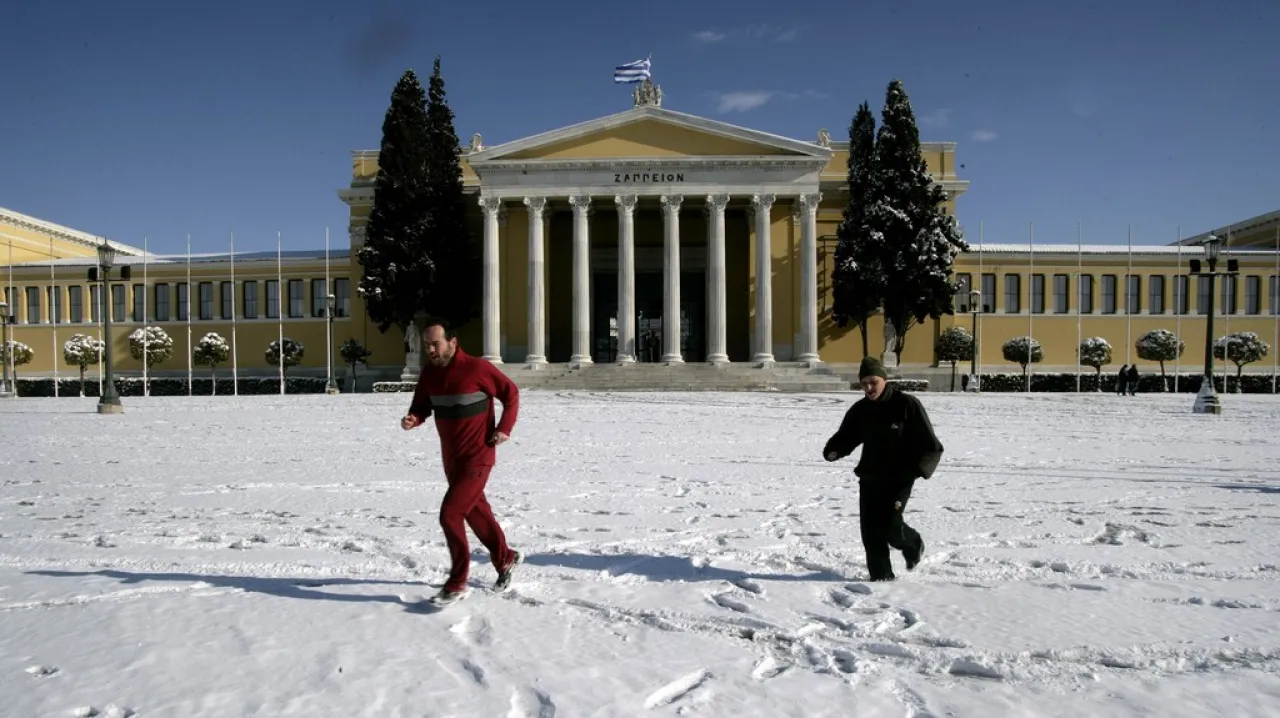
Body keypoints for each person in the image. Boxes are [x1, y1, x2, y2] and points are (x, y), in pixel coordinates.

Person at [401, 318, 522, 605]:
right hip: (451, 460)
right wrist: (413, 419)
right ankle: (506, 558)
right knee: (475, 512)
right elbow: (421, 406)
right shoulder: (430, 375)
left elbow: (511, 394)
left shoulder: (477, 368)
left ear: (452, 343)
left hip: (478, 456)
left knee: (450, 514)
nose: (430, 349)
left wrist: (504, 427)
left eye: (435, 344)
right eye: (427, 344)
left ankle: (456, 583)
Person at [823, 357, 944, 582]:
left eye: (873, 382)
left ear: (884, 380)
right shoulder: (860, 410)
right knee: (871, 534)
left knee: (891, 528)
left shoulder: (907, 404)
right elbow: (847, 436)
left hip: (900, 479)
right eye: (864, 384)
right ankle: (881, 580)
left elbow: (932, 445)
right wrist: (834, 450)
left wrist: (920, 469)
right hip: (870, 477)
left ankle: (913, 544)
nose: (868, 388)